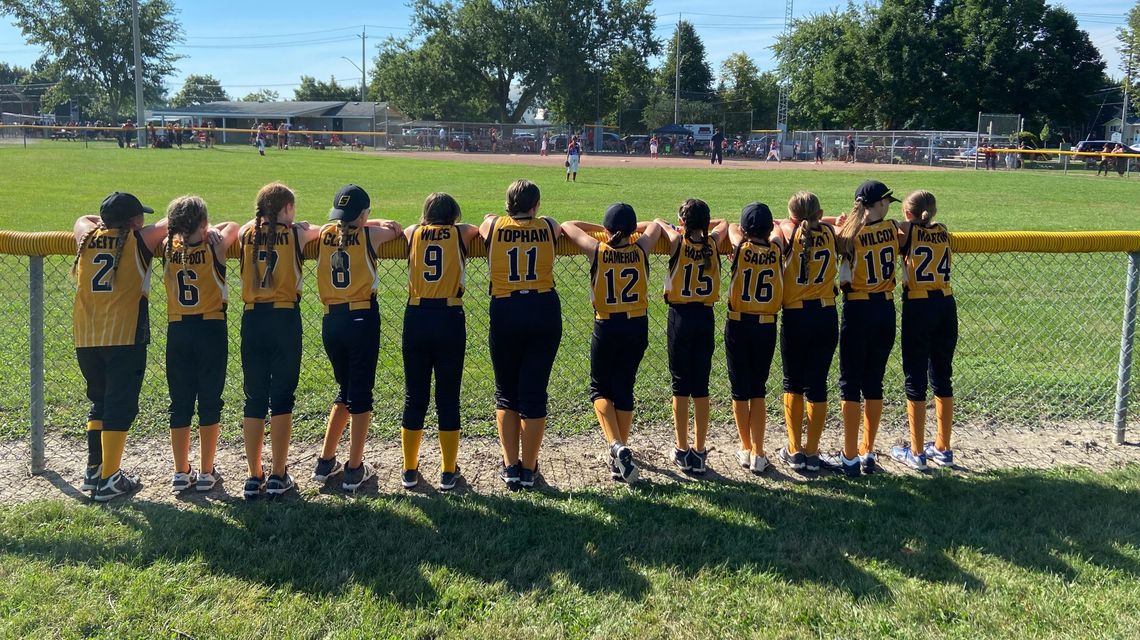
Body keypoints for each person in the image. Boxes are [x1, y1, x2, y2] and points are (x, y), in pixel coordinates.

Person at [72, 192, 168, 501]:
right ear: (133, 222)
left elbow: (81, 220)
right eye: (140, 217)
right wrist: (137, 229)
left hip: (86, 337)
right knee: (120, 405)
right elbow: (171, 221)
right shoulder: (139, 240)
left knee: (99, 400)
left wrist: (103, 224)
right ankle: (110, 478)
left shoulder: (86, 237)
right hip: (124, 336)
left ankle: (95, 470)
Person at [561, 204, 663, 483]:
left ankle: (616, 445)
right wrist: (631, 230)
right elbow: (655, 222)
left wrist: (601, 230)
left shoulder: (598, 249)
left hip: (607, 323)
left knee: (600, 389)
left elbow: (569, 224)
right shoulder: (641, 247)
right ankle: (619, 458)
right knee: (624, 386)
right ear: (632, 231)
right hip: (637, 324)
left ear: (607, 232)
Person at [311, 185, 403, 493]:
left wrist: (367, 221)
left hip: (331, 320)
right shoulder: (369, 235)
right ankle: (354, 468)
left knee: (345, 389)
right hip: (361, 318)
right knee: (360, 394)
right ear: (364, 215)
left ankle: (325, 463)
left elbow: (323, 227)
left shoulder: (324, 233)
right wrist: (377, 222)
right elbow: (394, 231)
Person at [238, 183, 321, 499]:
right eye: (292, 209)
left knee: (254, 397)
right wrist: (297, 227)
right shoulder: (297, 234)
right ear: (286, 209)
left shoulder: (248, 232)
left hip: (253, 318)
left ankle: (252, 475)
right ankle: (277, 474)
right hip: (284, 318)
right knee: (282, 395)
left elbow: (243, 226)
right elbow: (319, 231)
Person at [479, 180, 563, 488]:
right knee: (534, 392)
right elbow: (558, 227)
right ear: (535, 205)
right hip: (543, 307)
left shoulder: (494, 225)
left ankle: (510, 465)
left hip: (506, 309)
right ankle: (529, 468)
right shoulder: (549, 225)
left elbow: (486, 221)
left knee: (506, 393)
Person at [399, 193, 481, 490]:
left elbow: (404, 229)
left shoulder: (413, 232)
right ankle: (448, 471)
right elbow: (480, 228)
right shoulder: (461, 232)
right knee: (448, 396)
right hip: (449, 316)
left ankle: (409, 468)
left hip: (417, 315)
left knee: (415, 396)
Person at [823, 180, 901, 478]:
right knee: (874, 383)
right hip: (885, 309)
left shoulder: (848, 235)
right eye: (886, 201)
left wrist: (843, 223)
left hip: (857, 308)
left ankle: (850, 455)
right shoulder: (894, 229)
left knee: (850, 383)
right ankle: (868, 452)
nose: (889, 205)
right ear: (878, 204)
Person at [161, 196, 239, 493]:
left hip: (178, 329)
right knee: (209, 401)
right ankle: (206, 472)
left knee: (179, 403)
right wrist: (211, 231)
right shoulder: (214, 245)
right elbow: (232, 226)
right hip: (210, 328)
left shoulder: (169, 247)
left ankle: (181, 471)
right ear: (205, 225)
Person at [655, 200, 727, 474]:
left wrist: (666, 223)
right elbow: (724, 224)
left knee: (680, 385)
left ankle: (682, 447)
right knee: (701, 386)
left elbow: (663, 226)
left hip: (681, 318)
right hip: (705, 318)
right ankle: (699, 450)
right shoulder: (713, 242)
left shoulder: (676, 241)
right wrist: (704, 226)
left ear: (683, 223)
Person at [890, 190, 957, 470]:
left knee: (915, 376)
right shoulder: (944, 231)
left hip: (919, 306)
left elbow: (891, 229)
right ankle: (943, 447)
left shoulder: (907, 231)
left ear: (908, 213)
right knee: (942, 376)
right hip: (946, 305)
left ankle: (916, 451)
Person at [775, 192, 838, 473]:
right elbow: (830, 224)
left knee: (793, 382)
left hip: (796, 314)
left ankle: (794, 449)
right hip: (826, 313)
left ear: (791, 217)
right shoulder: (831, 231)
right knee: (818, 383)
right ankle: (812, 452)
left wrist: (781, 222)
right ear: (819, 214)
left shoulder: (788, 231)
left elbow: (785, 229)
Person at [725, 202, 784, 474]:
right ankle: (759, 452)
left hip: (738, 324)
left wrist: (744, 233)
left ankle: (746, 447)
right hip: (766, 325)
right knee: (758, 389)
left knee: (740, 389)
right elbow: (779, 233)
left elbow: (731, 228)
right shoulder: (776, 249)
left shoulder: (740, 248)